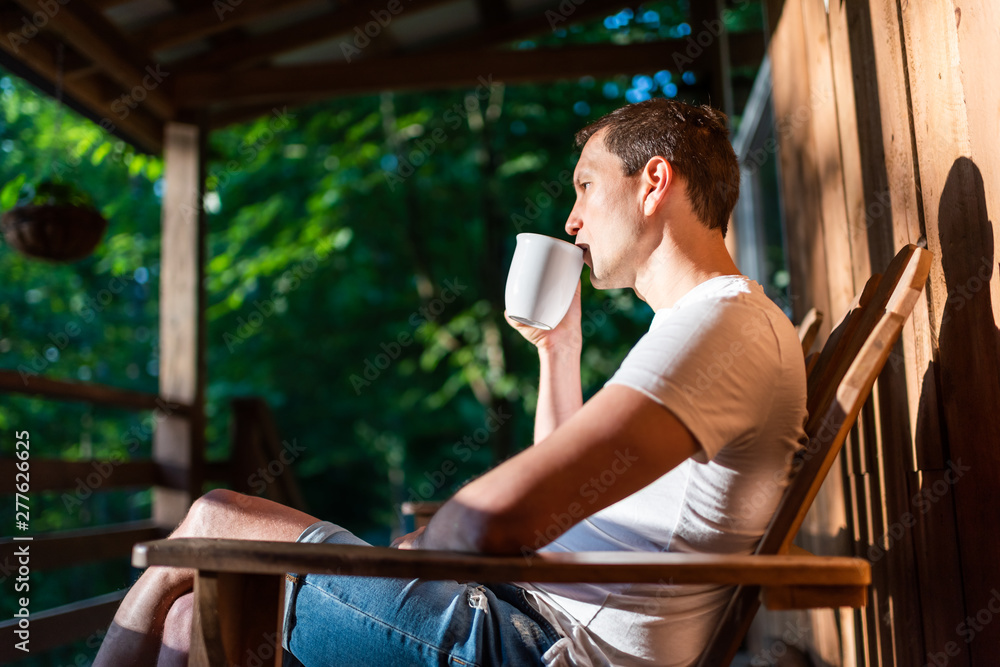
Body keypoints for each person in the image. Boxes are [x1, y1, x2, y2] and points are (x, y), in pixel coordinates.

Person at [94, 98, 807, 667]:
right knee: (194, 617)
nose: (572, 218)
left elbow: (502, 520)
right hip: (528, 613)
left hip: (542, 645)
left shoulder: (721, 328)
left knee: (217, 518)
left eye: (586, 186)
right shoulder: (708, 324)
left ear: (654, 181)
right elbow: (572, 503)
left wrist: (425, 546)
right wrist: (560, 351)